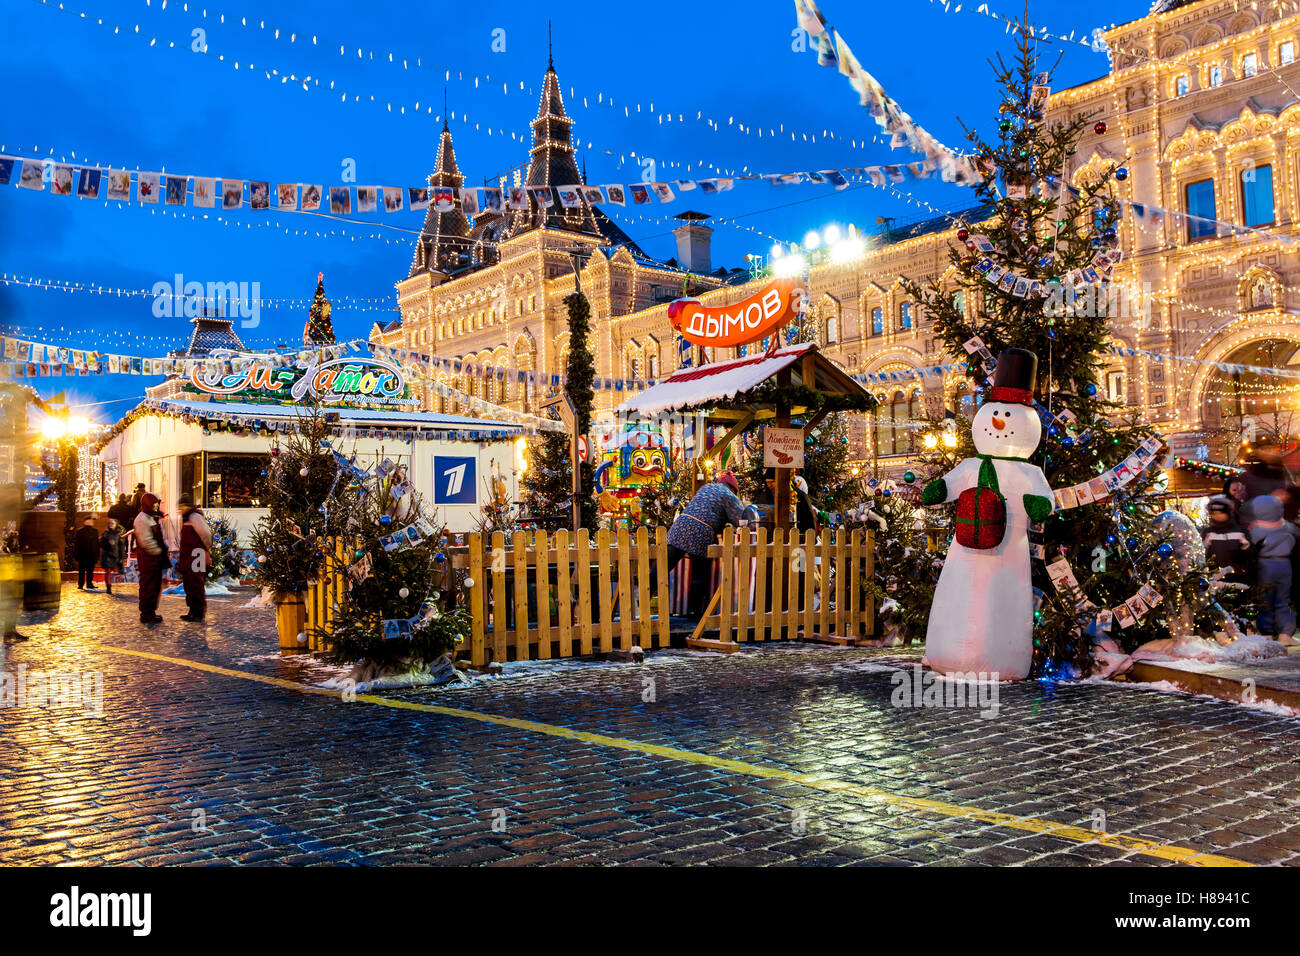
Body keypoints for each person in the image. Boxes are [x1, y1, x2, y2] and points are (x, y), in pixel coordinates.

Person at [665, 472, 746, 617]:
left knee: (662, 568)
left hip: (680, 527)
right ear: (733, 488)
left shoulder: (706, 488)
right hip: (700, 532)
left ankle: (645, 592)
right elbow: (741, 520)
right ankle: (694, 612)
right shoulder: (729, 496)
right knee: (699, 575)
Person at [1245, 494, 1299, 644]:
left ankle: (1266, 633)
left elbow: (1249, 546)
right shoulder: (1288, 526)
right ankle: (1285, 634)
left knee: (1265, 599)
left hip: (1265, 565)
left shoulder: (1255, 530)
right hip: (1284, 564)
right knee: (1284, 600)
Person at [132, 492, 167, 624]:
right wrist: (158, 551)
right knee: (148, 586)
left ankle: (151, 611)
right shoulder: (142, 519)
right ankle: (147, 613)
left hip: (153, 560)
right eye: (154, 504)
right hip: (149, 560)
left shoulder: (149, 517)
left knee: (154, 586)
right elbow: (146, 541)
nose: (156, 507)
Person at [177, 493, 212, 622]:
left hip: (196, 555)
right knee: (189, 583)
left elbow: (206, 534)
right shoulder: (186, 518)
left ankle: (198, 612)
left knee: (196, 583)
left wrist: (206, 549)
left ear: (187, 506)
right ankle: (192, 610)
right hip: (188, 556)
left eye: (181, 506)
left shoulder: (194, 517)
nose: (180, 509)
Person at [1200, 499, 1251, 584]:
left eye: (1221, 513)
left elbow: (1249, 553)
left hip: (1238, 578)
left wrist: (1239, 557)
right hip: (1216, 578)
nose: (1217, 516)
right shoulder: (1208, 533)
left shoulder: (1240, 531)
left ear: (1227, 513)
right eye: (1214, 513)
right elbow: (1203, 554)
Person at [99, 519, 125, 595]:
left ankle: (113, 586)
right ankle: (108, 588)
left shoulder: (119, 534)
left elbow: (121, 547)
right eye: (109, 523)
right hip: (107, 555)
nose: (111, 525)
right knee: (108, 572)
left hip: (115, 555)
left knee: (116, 571)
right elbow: (100, 543)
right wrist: (108, 543)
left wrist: (122, 558)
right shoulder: (105, 533)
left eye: (112, 523)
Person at [73, 516, 100, 590]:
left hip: (87, 554)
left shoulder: (93, 531)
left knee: (87, 570)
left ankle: (85, 584)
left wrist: (97, 554)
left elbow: (96, 544)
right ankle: (84, 584)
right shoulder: (82, 531)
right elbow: (77, 544)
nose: (91, 522)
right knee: (85, 570)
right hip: (86, 554)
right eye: (90, 520)